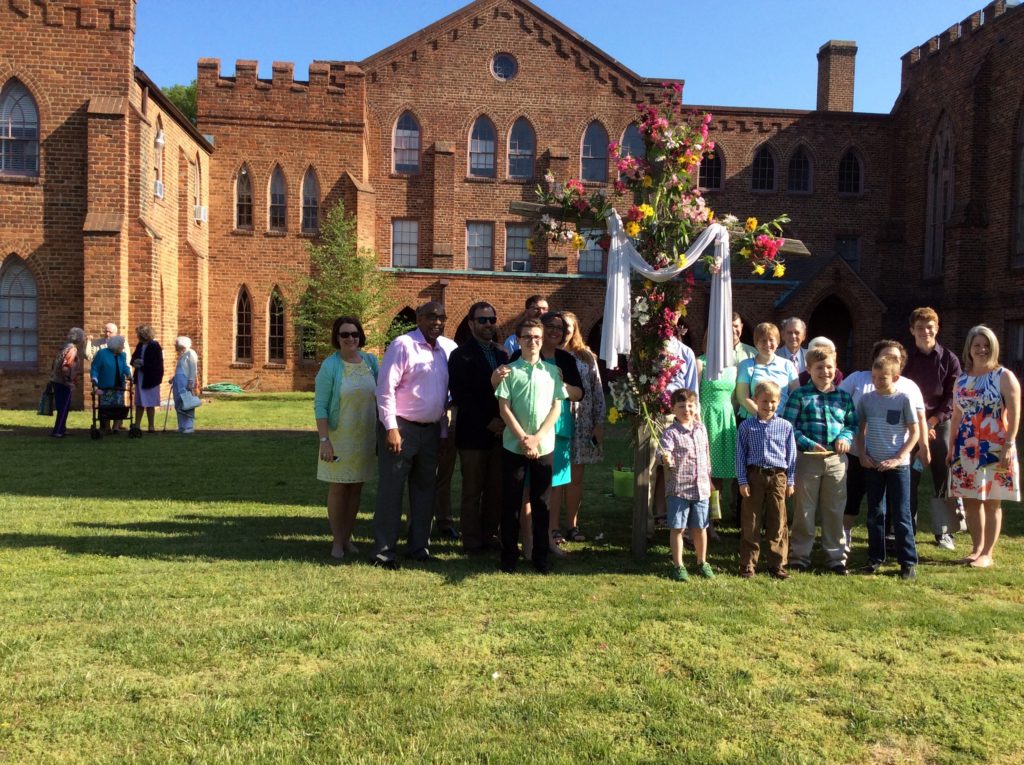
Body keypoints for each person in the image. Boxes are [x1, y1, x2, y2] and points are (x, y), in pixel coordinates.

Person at [373, 301, 456, 568]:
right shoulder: (403, 345)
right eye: (431, 316)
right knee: (391, 491)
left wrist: (443, 433)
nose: (437, 322)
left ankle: (418, 547)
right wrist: (391, 428)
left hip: (431, 431)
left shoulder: (446, 349)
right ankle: (384, 552)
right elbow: (385, 390)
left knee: (425, 492)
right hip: (401, 428)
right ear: (419, 318)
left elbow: (443, 397)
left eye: (441, 318)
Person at [500, 311, 584, 557]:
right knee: (518, 495)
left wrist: (536, 438)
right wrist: (524, 438)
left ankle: (544, 546)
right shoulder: (514, 363)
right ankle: (519, 549)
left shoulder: (559, 365)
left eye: (561, 328)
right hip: (519, 437)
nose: (556, 332)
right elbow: (504, 400)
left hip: (551, 434)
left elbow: (571, 397)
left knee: (546, 494)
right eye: (551, 327)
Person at [839, 340, 926, 551]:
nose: (888, 361)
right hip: (860, 453)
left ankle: (890, 544)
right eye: (884, 356)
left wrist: (924, 447)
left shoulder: (908, 387)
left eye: (894, 358)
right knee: (853, 494)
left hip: (893, 454)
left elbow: (919, 419)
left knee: (891, 503)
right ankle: (845, 536)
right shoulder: (858, 379)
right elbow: (839, 403)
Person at [495, 317, 567, 574]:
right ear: (519, 340)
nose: (533, 341)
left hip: (544, 446)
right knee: (511, 503)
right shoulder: (509, 371)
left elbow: (557, 407)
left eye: (537, 337)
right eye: (528, 337)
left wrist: (537, 438)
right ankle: (509, 557)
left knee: (541, 503)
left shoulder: (552, 372)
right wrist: (523, 438)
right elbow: (504, 408)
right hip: (514, 446)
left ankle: (540, 557)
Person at [948, 325, 1021, 569]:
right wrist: (950, 448)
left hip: (995, 445)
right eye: (977, 345)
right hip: (965, 446)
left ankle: (987, 553)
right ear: (969, 348)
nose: (981, 349)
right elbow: (956, 416)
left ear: (994, 348)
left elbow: (1015, 412)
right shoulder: (962, 379)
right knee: (970, 499)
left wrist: (1009, 445)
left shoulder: (1003, 376)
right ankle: (976, 548)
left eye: (986, 345)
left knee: (992, 500)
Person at [782, 346, 857, 574]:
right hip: (808, 459)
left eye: (829, 367)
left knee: (834, 509)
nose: (825, 372)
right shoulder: (800, 395)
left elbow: (852, 424)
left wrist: (845, 437)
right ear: (809, 369)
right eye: (819, 368)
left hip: (836, 461)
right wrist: (806, 443)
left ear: (836, 369)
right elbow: (788, 427)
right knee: (805, 508)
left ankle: (835, 557)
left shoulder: (843, 397)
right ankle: (800, 555)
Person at [315, 316, 379, 562]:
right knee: (339, 487)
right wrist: (324, 440)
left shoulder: (371, 362)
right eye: (345, 335)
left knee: (356, 487)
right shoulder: (330, 366)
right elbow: (320, 406)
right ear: (337, 338)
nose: (350, 338)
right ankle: (337, 541)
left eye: (354, 334)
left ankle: (348, 537)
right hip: (338, 437)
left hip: (364, 437)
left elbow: (383, 392)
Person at [447, 301, 508, 554]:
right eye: (482, 320)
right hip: (474, 432)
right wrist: (487, 421)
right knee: (473, 490)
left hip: (501, 433)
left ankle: (490, 535)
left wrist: (503, 421)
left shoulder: (503, 353)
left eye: (491, 320)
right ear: (471, 323)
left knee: (495, 489)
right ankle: (471, 540)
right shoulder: (461, 355)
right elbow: (461, 395)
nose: (488, 325)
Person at [902, 307, 963, 549]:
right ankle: (908, 529)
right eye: (919, 327)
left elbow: (953, 397)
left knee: (943, 477)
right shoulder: (905, 359)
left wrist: (932, 422)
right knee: (909, 477)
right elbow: (901, 392)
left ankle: (944, 532)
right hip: (911, 426)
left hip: (940, 425)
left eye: (929, 327)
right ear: (912, 330)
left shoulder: (949, 359)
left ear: (936, 329)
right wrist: (919, 425)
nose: (925, 332)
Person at [856, 356, 921, 579]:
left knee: (901, 514)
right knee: (875, 512)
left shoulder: (903, 399)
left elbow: (915, 434)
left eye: (882, 378)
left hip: (898, 467)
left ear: (895, 377)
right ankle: (875, 557)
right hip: (873, 464)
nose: (877, 382)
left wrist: (898, 458)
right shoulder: (866, 400)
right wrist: (863, 454)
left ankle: (908, 561)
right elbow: (859, 429)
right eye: (874, 377)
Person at [735, 380, 796, 579]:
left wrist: (790, 480)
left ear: (779, 402)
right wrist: (742, 481)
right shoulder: (746, 426)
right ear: (755, 401)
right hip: (755, 476)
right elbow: (740, 455)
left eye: (773, 402)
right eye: (764, 401)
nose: (768, 406)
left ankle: (777, 563)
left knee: (777, 520)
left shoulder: (785, 426)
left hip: (778, 476)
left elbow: (791, 455)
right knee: (751, 520)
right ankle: (748, 563)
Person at [555, 310, 605, 545]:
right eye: (560, 327)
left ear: (575, 330)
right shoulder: (550, 355)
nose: (565, 331)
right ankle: (552, 526)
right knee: (556, 477)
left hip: (583, 422)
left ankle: (572, 525)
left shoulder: (586, 357)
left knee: (575, 478)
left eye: (569, 327)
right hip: (558, 421)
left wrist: (599, 422)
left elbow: (596, 390)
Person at [658, 388, 715, 581]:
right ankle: (678, 565)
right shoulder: (670, 433)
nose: (686, 410)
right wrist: (666, 458)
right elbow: (664, 452)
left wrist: (710, 479)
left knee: (700, 527)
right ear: (673, 409)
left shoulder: (701, 429)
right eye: (681, 406)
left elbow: (706, 457)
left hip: (701, 489)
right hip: (679, 489)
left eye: (690, 406)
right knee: (678, 528)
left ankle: (702, 561)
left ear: (696, 407)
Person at [735, 322, 799, 420]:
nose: (768, 344)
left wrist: (777, 419)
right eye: (763, 340)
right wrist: (766, 417)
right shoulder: (746, 365)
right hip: (752, 421)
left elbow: (796, 396)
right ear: (756, 343)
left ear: (777, 342)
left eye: (771, 340)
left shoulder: (788, 365)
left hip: (782, 421)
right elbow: (742, 397)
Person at [89, 334, 131, 433]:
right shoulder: (102, 354)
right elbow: (95, 368)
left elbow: (125, 367)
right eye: (122, 345)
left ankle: (116, 427)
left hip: (119, 385)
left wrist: (128, 374)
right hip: (105, 385)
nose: (123, 347)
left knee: (118, 406)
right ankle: (107, 427)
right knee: (106, 406)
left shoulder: (122, 355)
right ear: (116, 346)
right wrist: (94, 378)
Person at [49, 327, 86, 438]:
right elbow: (66, 367)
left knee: (64, 406)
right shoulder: (72, 350)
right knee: (63, 407)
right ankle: (58, 430)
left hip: (56, 380)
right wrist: (68, 381)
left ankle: (62, 428)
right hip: (63, 382)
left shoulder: (64, 347)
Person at [130, 325, 164, 433]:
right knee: (139, 402)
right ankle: (137, 425)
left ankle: (151, 426)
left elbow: (156, 363)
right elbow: (134, 356)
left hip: (151, 378)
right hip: (140, 377)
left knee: (150, 403)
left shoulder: (155, 346)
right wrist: (134, 362)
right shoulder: (140, 345)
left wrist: (143, 365)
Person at [171, 336, 200, 434]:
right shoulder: (182, 355)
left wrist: (191, 382)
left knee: (187, 403)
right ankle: (182, 426)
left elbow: (193, 369)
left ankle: (189, 426)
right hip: (178, 382)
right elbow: (180, 369)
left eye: (176, 344)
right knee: (178, 403)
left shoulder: (190, 353)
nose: (175, 346)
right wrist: (173, 379)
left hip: (185, 382)